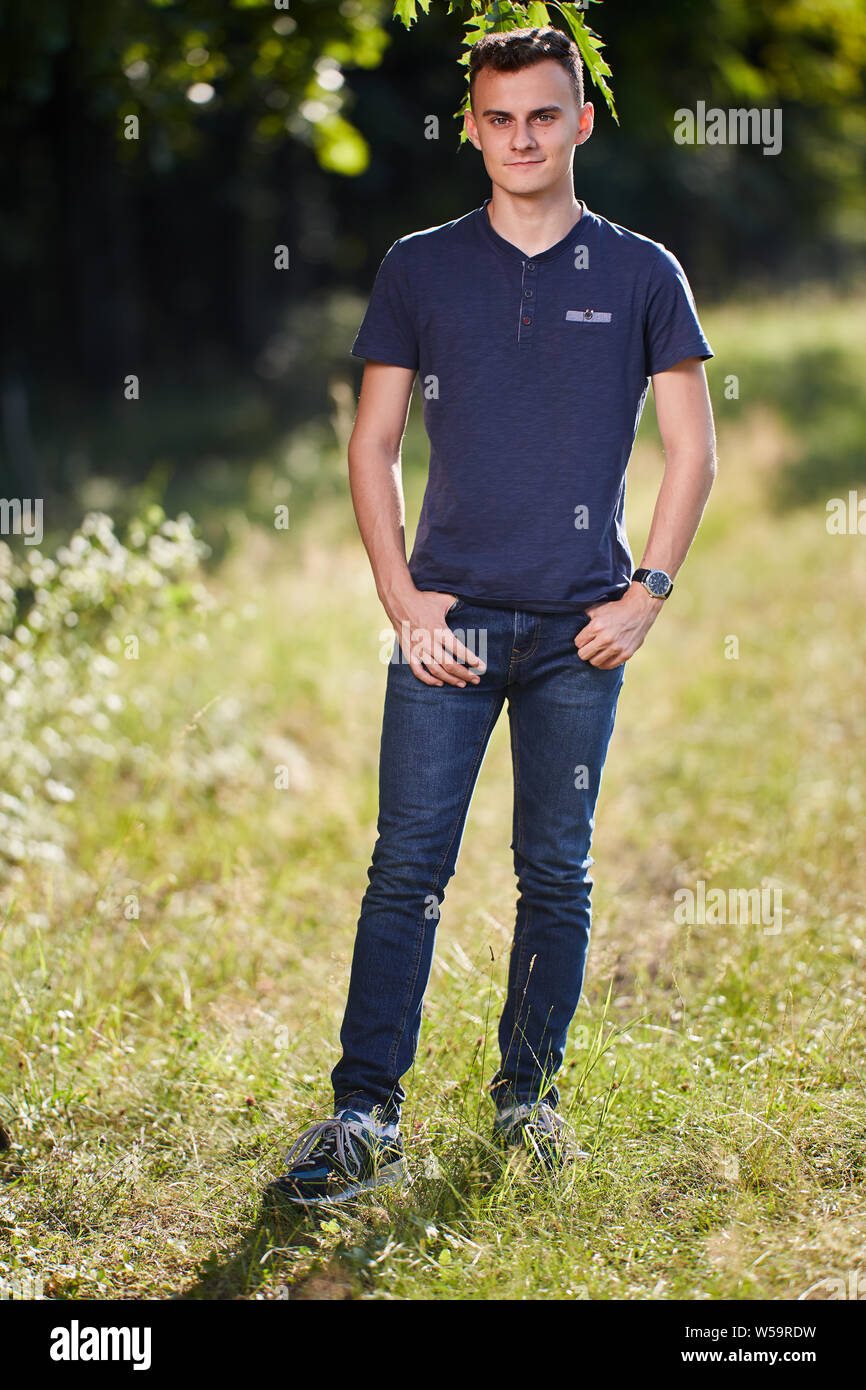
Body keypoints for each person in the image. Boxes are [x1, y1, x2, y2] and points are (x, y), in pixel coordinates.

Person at [270, 25, 716, 1206]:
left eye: (542, 115)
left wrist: (647, 594)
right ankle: (362, 1114)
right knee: (405, 866)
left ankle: (527, 1102)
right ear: (470, 127)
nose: (520, 138)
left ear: (580, 120)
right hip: (448, 625)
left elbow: (692, 451)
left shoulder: (640, 271)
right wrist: (404, 598)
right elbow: (370, 445)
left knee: (553, 872)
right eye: (497, 118)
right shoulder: (418, 266)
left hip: (581, 632)